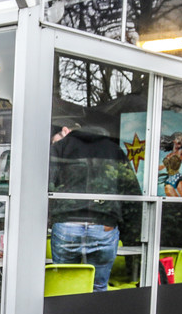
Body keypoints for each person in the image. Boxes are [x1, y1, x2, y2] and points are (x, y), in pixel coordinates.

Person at [48, 122, 140, 292]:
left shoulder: (60, 147)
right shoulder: (113, 149)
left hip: (67, 223)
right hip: (103, 224)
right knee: (98, 288)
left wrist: (52, 218)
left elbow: (46, 185)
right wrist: (123, 227)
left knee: (64, 288)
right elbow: (131, 190)